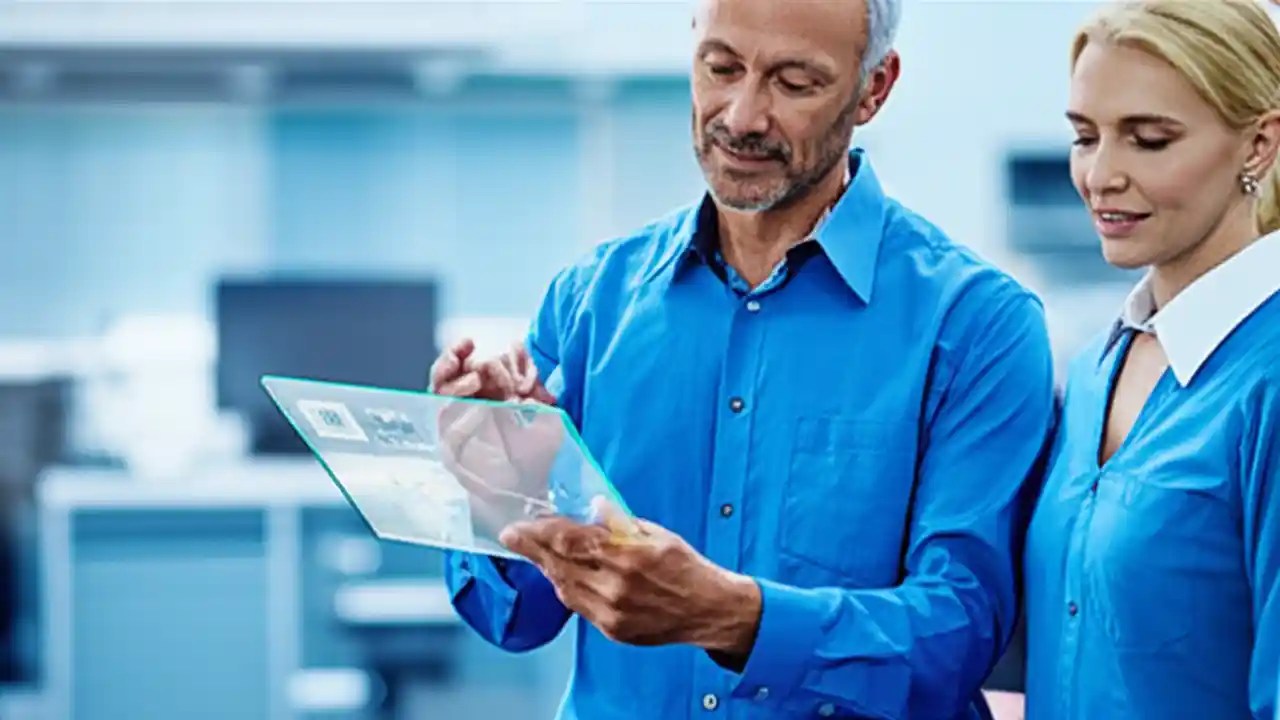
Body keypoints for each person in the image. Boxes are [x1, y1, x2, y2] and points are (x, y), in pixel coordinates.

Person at [431, 0, 1058, 717]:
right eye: (721, 68)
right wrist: (501, 492)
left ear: (874, 88)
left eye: (794, 83)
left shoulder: (977, 325)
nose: (743, 115)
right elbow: (516, 618)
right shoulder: (591, 300)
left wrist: (733, 617)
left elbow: (959, 634)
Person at [1023, 1, 1280, 718]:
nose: (1101, 174)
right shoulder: (1098, 364)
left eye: (1149, 140)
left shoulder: (1269, 378)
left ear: (1259, 144)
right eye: (1084, 137)